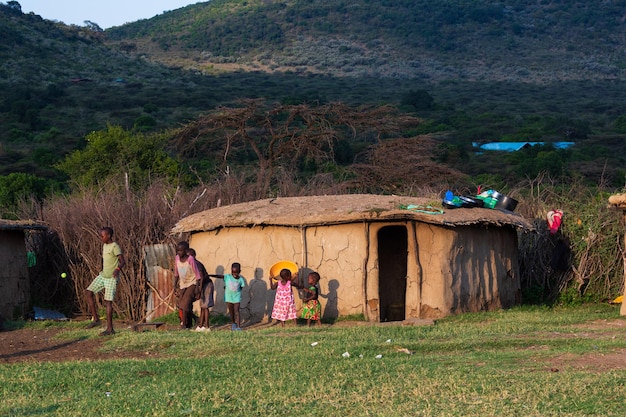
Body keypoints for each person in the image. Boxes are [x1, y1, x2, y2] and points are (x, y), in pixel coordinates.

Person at [85, 226, 125, 336]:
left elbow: (122, 261)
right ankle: (96, 319)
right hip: (103, 276)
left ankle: (110, 329)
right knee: (89, 292)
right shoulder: (105, 245)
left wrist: (117, 269)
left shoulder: (115, 246)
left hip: (112, 278)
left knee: (108, 302)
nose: (100, 238)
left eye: (102, 236)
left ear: (108, 236)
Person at [173, 241, 202, 329]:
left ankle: (184, 324)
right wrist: (174, 286)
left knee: (184, 305)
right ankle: (192, 320)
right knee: (181, 305)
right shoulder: (177, 258)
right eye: (178, 251)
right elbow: (176, 273)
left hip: (192, 283)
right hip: (183, 284)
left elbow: (197, 275)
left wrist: (197, 288)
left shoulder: (190, 259)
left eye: (181, 251)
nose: (179, 252)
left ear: (186, 251)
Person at [212, 263, 245, 330]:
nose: (235, 274)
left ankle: (238, 327)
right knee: (231, 312)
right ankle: (233, 323)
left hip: (236, 298)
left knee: (237, 312)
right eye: (233, 272)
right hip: (228, 298)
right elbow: (219, 276)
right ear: (231, 271)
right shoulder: (227, 277)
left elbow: (241, 287)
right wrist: (210, 275)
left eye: (236, 272)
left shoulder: (241, 280)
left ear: (240, 271)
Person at [188, 248, 214, 332]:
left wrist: (199, 290)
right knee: (202, 306)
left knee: (205, 306)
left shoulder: (197, 264)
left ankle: (207, 327)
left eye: (190, 256)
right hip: (202, 286)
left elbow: (201, 278)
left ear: (194, 256)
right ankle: (200, 326)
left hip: (206, 285)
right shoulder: (191, 264)